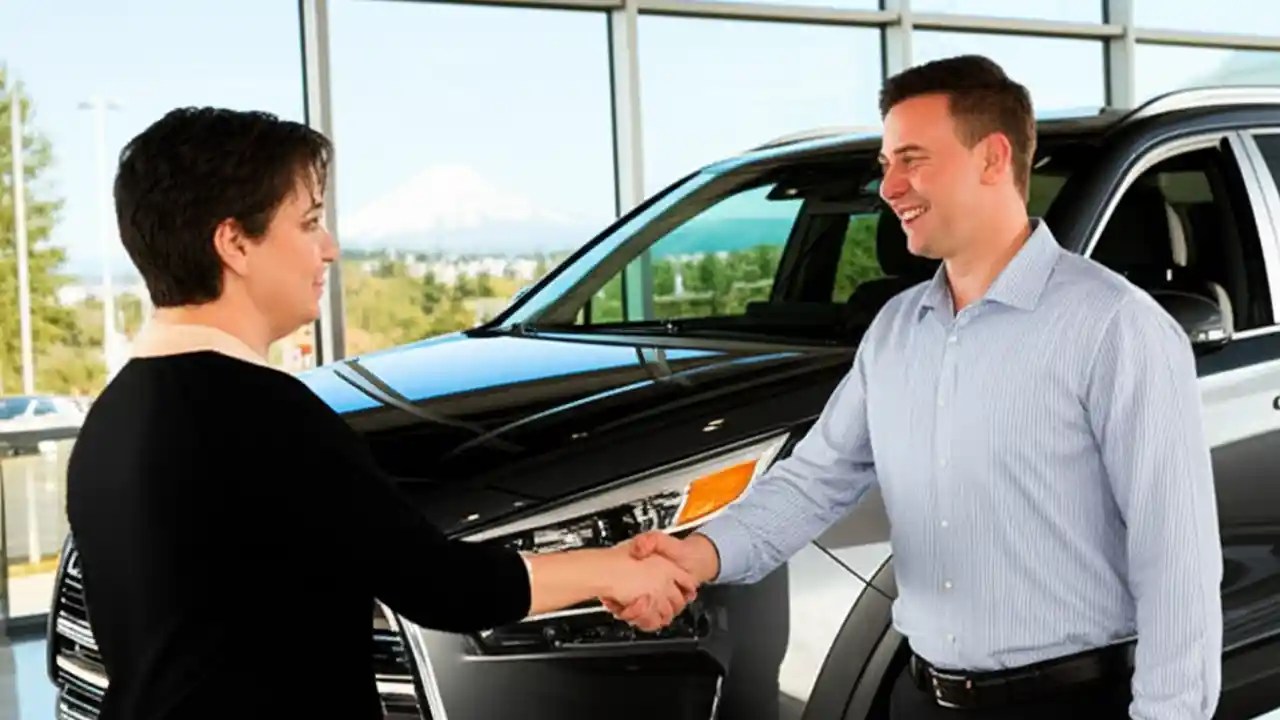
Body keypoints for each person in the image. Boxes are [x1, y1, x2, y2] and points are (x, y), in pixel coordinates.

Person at [609, 54, 1223, 719]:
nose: (889, 187)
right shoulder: (898, 331)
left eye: (913, 159)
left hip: (1069, 701)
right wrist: (696, 555)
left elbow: (1176, 560)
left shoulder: (1115, 327)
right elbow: (813, 482)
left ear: (992, 159)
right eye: (886, 165)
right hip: (921, 698)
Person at [65, 106, 695, 720]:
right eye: (309, 223)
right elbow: (442, 585)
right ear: (234, 242)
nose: (330, 249)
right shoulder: (263, 413)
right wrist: (610, 568)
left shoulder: (112, 418)